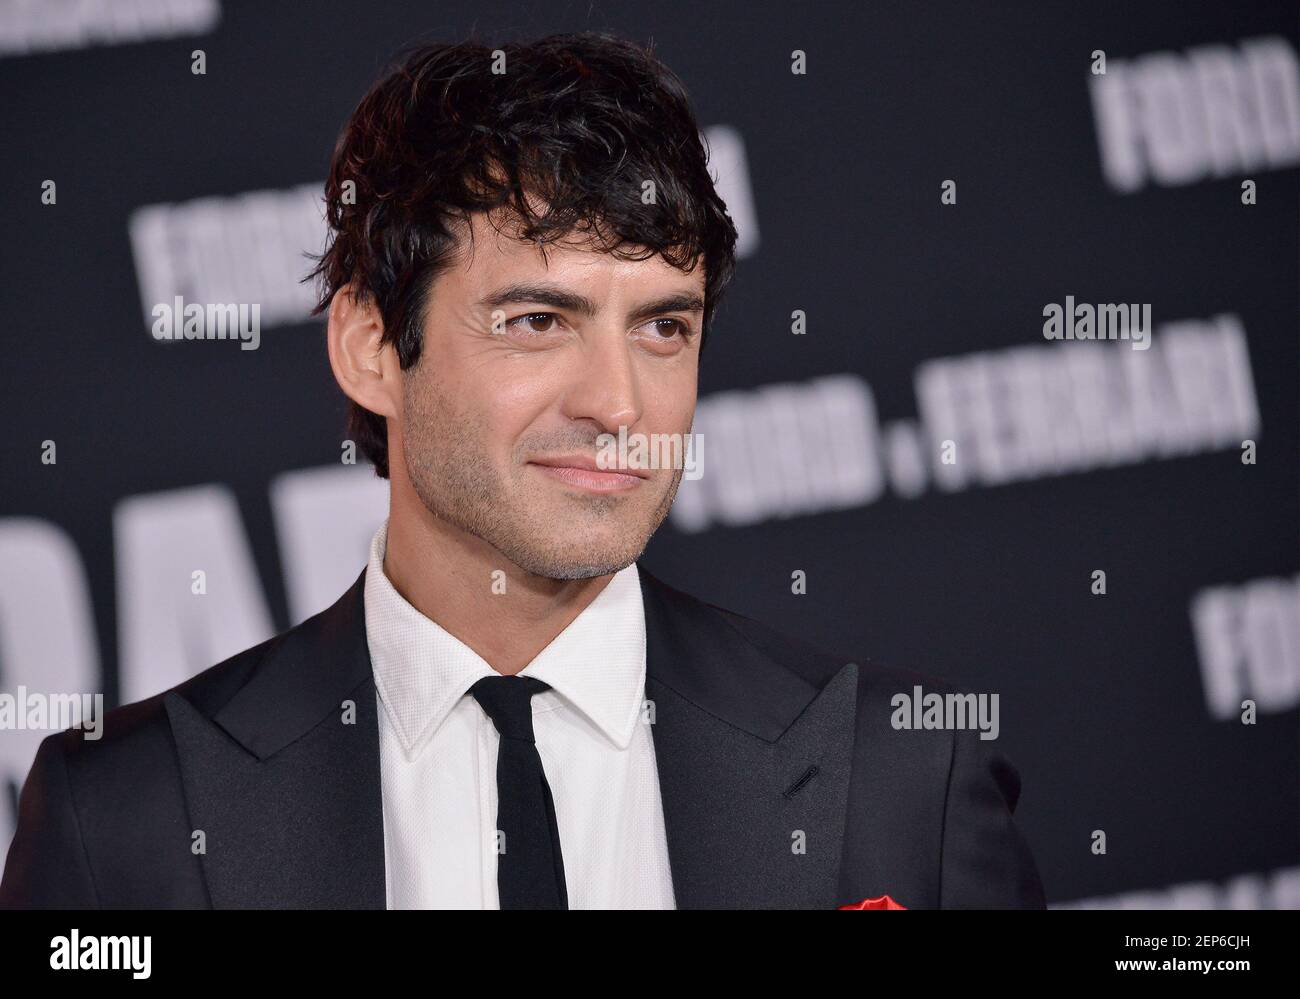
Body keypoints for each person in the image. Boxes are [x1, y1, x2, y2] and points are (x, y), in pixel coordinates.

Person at [0, 30, 1044, 909]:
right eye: (539, 320)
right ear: (371, 347)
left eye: (663, 327)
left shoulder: (903, 780)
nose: (618, 405)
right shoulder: (126, 818)